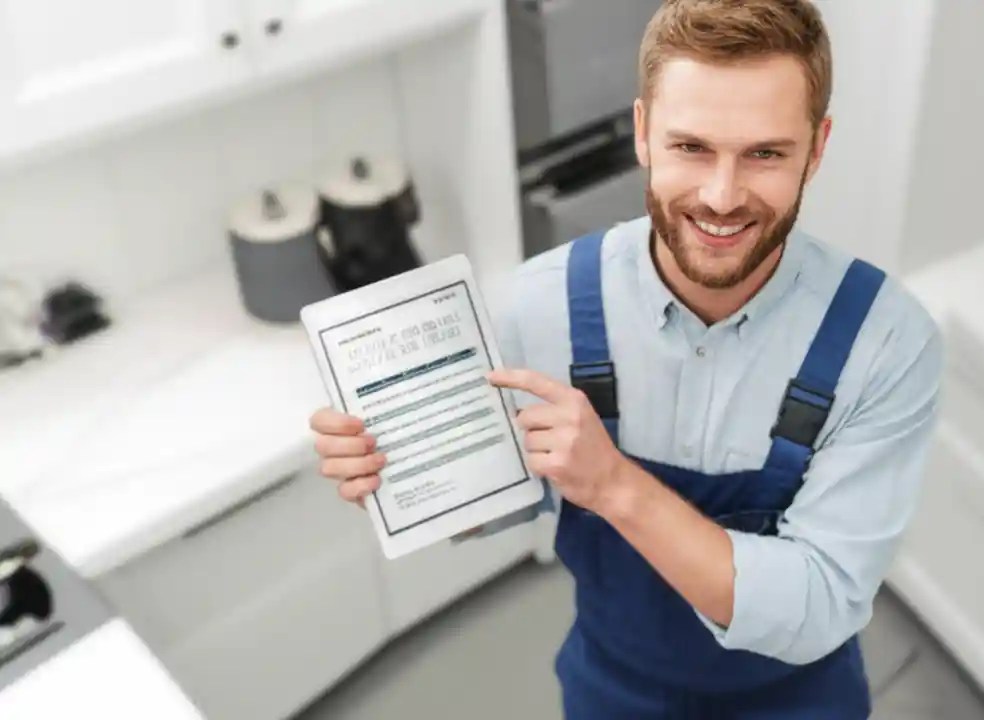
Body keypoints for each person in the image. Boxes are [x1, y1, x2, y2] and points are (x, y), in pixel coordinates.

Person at [308, 0, 943, 716]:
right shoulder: (538, 305)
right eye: (691, 147)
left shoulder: (885, 342)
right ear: (643, 132)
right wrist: (405, 471)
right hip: (614, 692)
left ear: (817, 148)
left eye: (765, 153)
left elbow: (819, 602)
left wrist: (616, 485)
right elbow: (507, 498)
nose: (722, 196)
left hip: (799, 700)